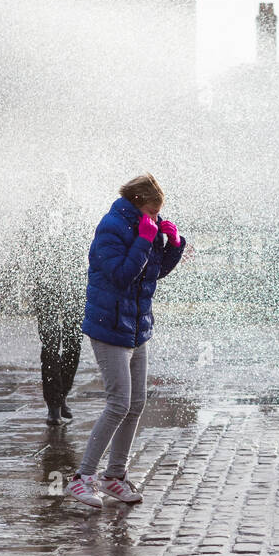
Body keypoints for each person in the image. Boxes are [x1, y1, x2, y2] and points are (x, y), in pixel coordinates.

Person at [67, 173, 187, 508]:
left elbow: (153, 271)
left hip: (136, 326)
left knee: (136, 404)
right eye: (151, 212)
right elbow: (121, 275)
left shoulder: (141, 226)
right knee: (118, 402)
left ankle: (113, 477)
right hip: (109, 326)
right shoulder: (110, 227)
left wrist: (172, 246)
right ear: (137, 204)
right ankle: (82, 479)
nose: (155, 219)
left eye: (158, 214)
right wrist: (144, 241)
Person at [17, 172, 91, 426]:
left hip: (72, 286)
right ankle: (53, 405)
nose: (59, 192)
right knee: (50, 346)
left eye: (63, 187)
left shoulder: (76, 212)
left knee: (72, 344)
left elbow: (86, 245)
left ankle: (61, 394)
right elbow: (26, 246)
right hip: (46, 287)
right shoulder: (37, 214)